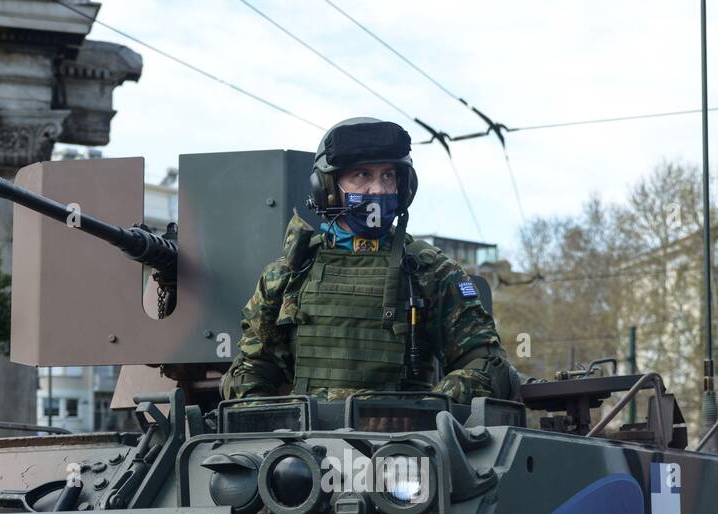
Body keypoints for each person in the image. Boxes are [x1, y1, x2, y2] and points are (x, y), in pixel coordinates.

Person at [221, 117, 516, 404]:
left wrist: (428, 410)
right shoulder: (287, 274)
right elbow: (251, 370)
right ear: (327, 186)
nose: (377, 190)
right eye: (362, 175)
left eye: (387, 175)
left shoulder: (431, 270)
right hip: (306, 446)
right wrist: (270, 426)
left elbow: (487, 365)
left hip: (409, 447)